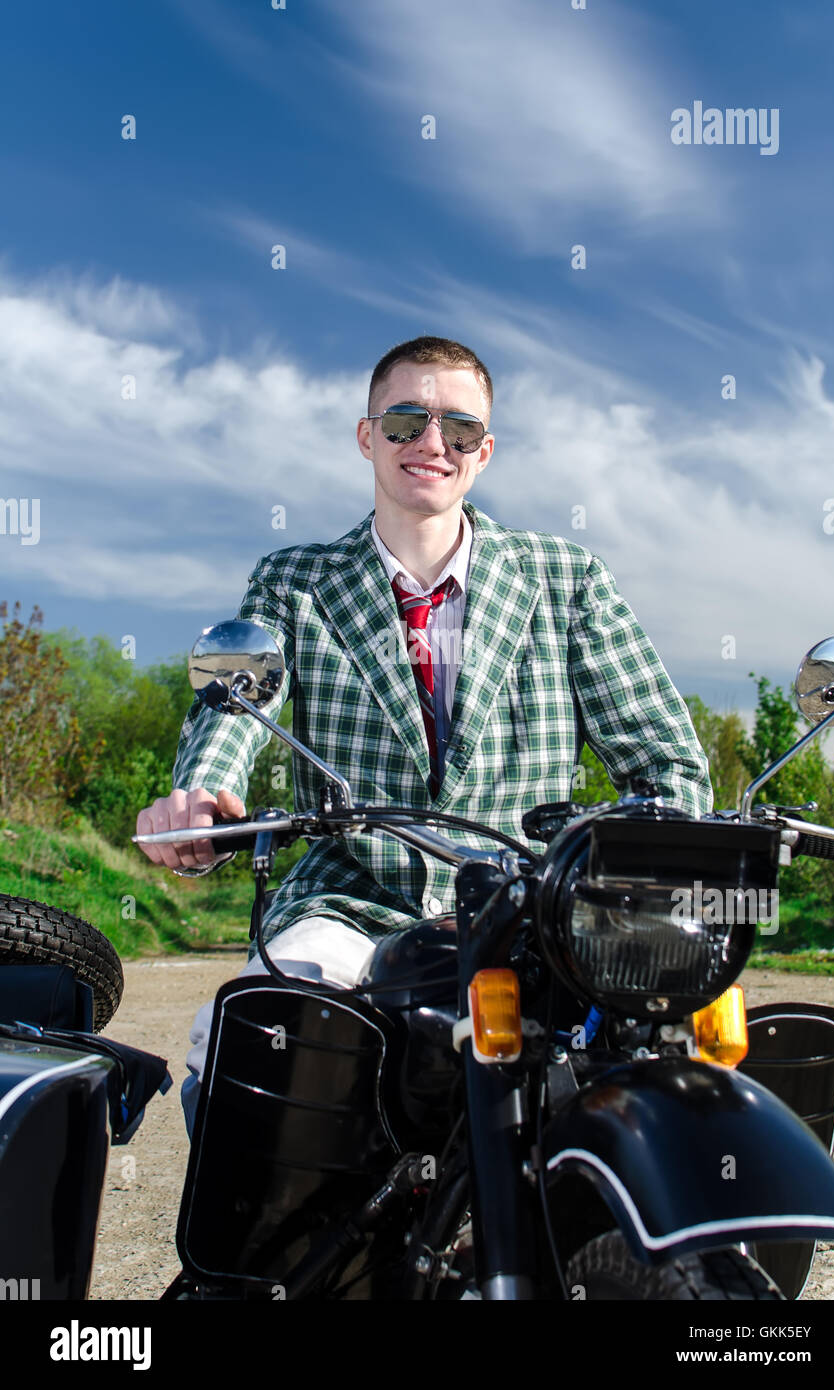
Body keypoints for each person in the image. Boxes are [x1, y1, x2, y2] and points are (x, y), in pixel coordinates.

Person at [136, 335, 713, 1135]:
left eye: (459, 429)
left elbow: (665, 766)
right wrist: (201, 801)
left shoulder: (567, 577)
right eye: (406, 421)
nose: (431, 444)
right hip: (347, 900)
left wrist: (634, 865)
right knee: (261, 1043)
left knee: (638, 1075)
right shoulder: (295, 579)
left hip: (527, 910)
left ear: (485, 451)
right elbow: (235, 704)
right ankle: (269, 1261)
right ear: (367, 436)